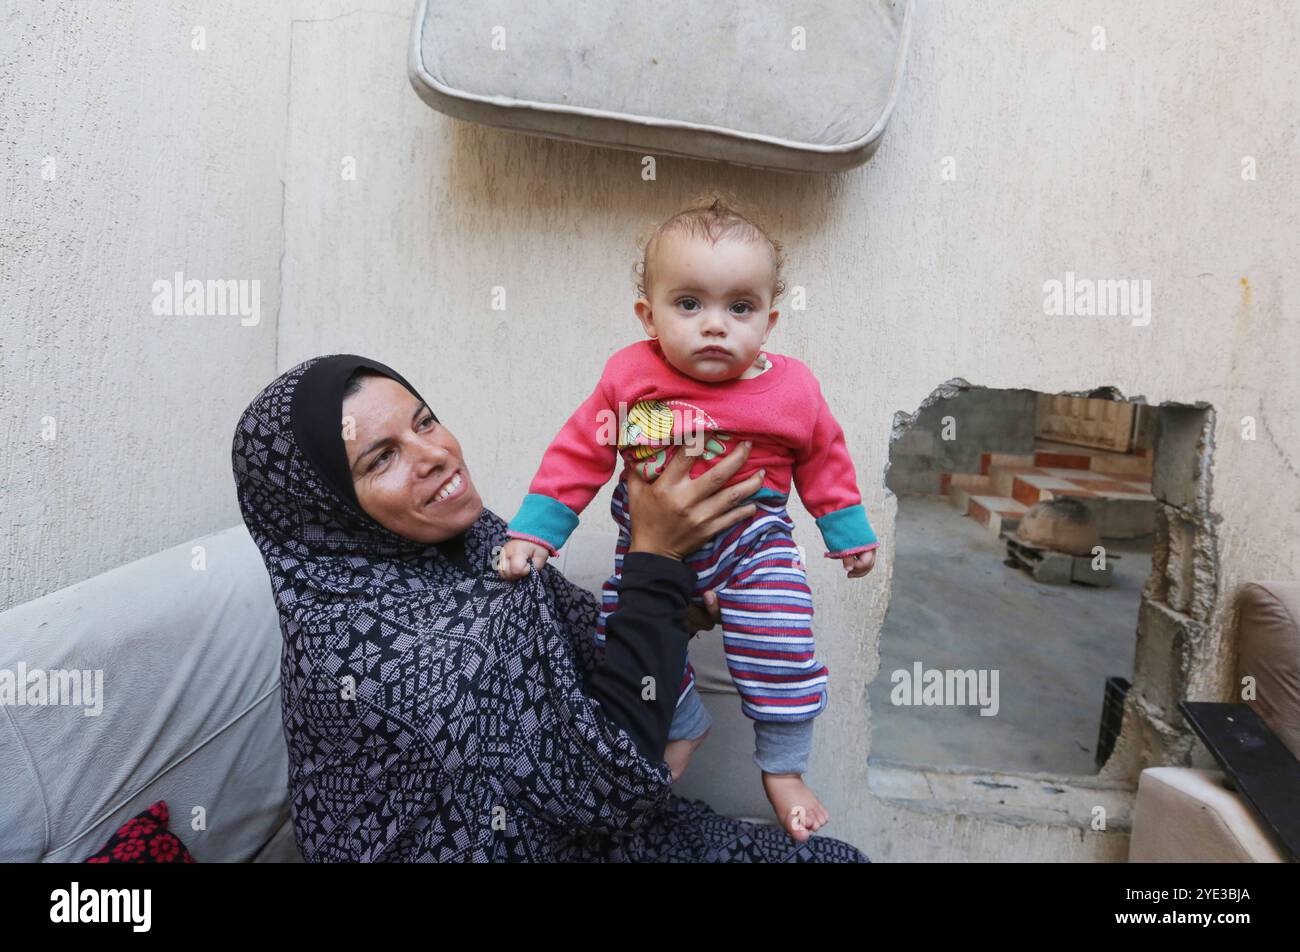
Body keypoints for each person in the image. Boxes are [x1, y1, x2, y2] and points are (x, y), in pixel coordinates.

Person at [231, 353, 870, 862]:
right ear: (327, 511)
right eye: (382, 458)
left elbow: (594, 653)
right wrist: (654, 556)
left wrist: (683, 589)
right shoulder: (377, 654)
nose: (434, 456)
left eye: (424, 422)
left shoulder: (477, 543)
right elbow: (603, 788)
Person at [497, 195, 879, 839]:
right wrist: (537, 529)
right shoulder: (631, 377)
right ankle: (681, 726)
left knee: (782, 636)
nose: (714, 326)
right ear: (648, 316)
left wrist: (847, 532)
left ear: (769, 320)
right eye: (689, 304)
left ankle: (783, 768)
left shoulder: (792, 389)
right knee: (621, 638)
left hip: (753, 541)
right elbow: (581, 448)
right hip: (651, 545)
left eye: (739, 307)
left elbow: (825, 457)